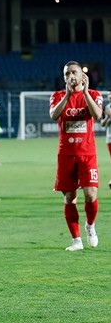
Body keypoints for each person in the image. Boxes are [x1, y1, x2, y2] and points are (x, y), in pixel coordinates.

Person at [49, 61, 102, 251]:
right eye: (67, 74)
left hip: (87, 153)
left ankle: (90, 226)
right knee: (70, 198)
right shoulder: (57, 96)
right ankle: (76, 240)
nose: (70, 76)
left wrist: (85, 93)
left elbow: (97, 115)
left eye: (74, 72)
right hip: (66, 155)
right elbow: (54, 115)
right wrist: (68, 95)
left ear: (82, 75)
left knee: (91, 194)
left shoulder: (94, 94)